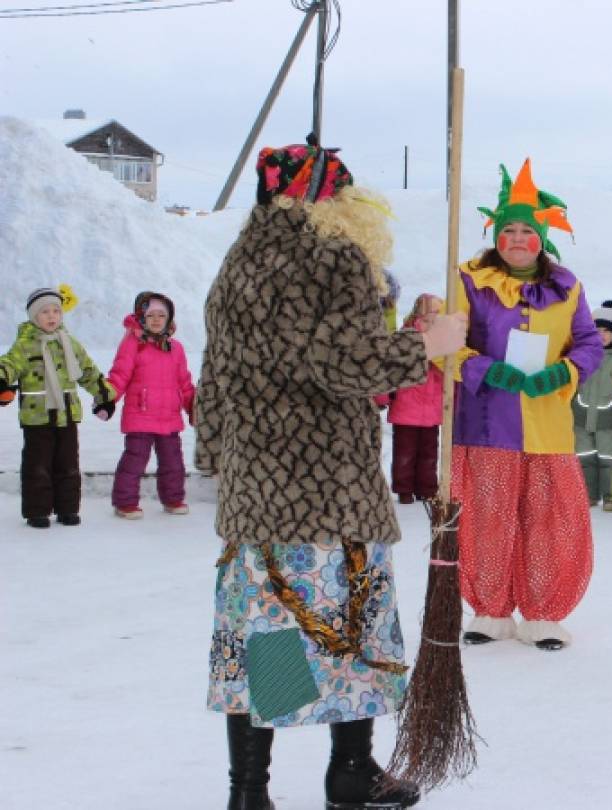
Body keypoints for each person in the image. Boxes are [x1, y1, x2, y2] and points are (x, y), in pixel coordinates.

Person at [195, 141, 468, 810]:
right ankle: (351, 771)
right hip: (328, 494)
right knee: (349, 634)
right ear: (326, 198)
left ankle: (249, 792)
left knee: (270, 642)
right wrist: (426, 345)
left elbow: (217, 377)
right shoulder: (334, 255)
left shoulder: (238, 263)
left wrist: (220, 459)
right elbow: (343, 362)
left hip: (259, 496)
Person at [449, 159, 603, 652]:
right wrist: (483, 368)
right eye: (507, 230)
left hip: (547, 425)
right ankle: (490, 610)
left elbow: (588, 342)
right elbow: (445, 344)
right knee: (487, 517)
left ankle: (542, 613)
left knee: (546, 517)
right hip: (487, 423)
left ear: (542, 238)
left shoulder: (567, 286)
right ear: (495, 235)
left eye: (526, 231)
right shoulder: (469, 279)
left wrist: (566, 370)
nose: (516, 239)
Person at [0, 285, 112, 528]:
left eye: (56, 311)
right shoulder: (25, 345)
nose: (51, 316)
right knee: (37, 465)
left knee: (68, 464)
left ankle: (67, 509)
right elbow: (8, 364)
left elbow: (88, 371)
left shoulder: (69, 344)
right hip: (36, 416)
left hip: (67, 414)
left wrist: (104, 395)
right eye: (45, 312)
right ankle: (37, 511)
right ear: (33, 316)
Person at [104, 291, 196, 519]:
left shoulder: (176, 349)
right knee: (134, 461)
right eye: (151, 315)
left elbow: (184, 382)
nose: (156, 320)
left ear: (169, 319)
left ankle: (173, 499)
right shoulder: (132, 344)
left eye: (161, 315)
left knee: (173, 462)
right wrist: (107, 398)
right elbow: (120, 374)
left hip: (169, 417)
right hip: (140, 414)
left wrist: (193, 406)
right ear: (141, 318)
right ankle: (124, 503)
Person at [375, 293, 443, 504]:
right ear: (416, 316)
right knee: (405, 452)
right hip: (406, 409)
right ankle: (404, 488)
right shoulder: (405, 339)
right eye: (427, 319)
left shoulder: (442, 343)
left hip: (432, 411)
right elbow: (389, 369)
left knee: (429, 452)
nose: (432, 323)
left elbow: (449, 376)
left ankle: (427, 488)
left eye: (436, 319)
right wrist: (382, 397)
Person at [573, 300, 612, 511]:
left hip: (610, 420)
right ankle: (588, 494)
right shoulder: (582, 357)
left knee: (610, 458)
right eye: (596, 330)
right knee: (584, 458)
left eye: (606, 331)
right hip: (581, 418)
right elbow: (572, 389)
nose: (601, 335)